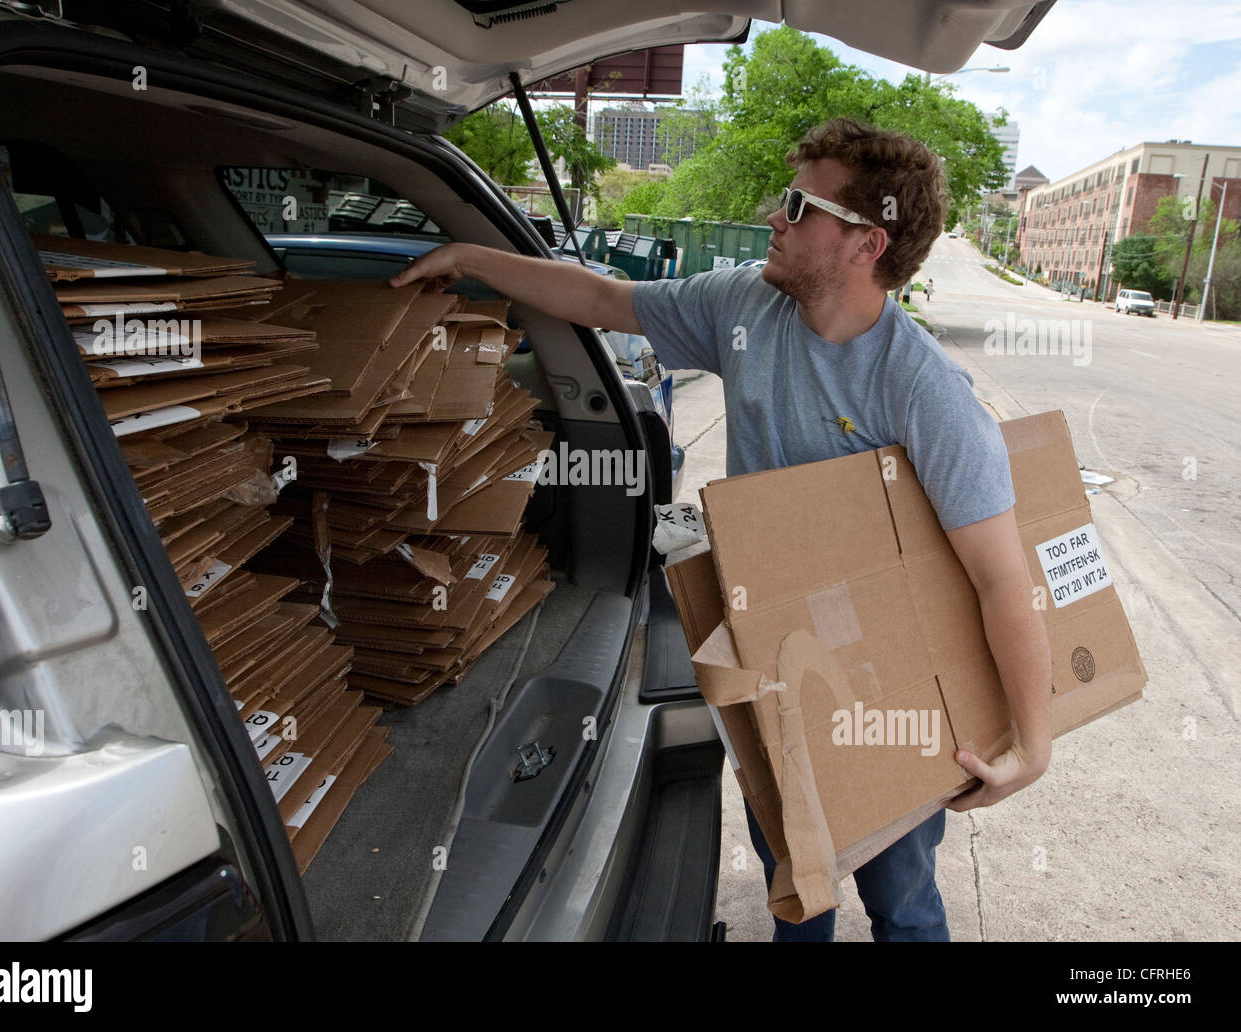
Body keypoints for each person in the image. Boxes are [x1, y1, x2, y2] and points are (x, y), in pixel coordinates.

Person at [392, 116, 1052, 942]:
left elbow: (1001, 577)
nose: (774, 218)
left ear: (866, 243)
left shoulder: (924, 390)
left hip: (884, 678)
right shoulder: (746, 303)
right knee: (794, 877)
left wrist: (1033, 745)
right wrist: (472, 258)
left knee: (902, 896)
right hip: (768, 655)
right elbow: (604, 298)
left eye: (798, 206)